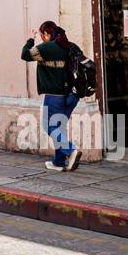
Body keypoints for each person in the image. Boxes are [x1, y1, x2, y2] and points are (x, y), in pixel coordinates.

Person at [23, 20, 80, 172]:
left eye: (42, 35)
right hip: (72, 96)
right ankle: (59, 162)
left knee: (49, 126)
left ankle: (70, 150)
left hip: (54, 96)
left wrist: (31, 39)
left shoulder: (48, 48)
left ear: (47, 34)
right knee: (59, 128)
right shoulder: (70, 46)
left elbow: (25, 55)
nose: (42, 38)